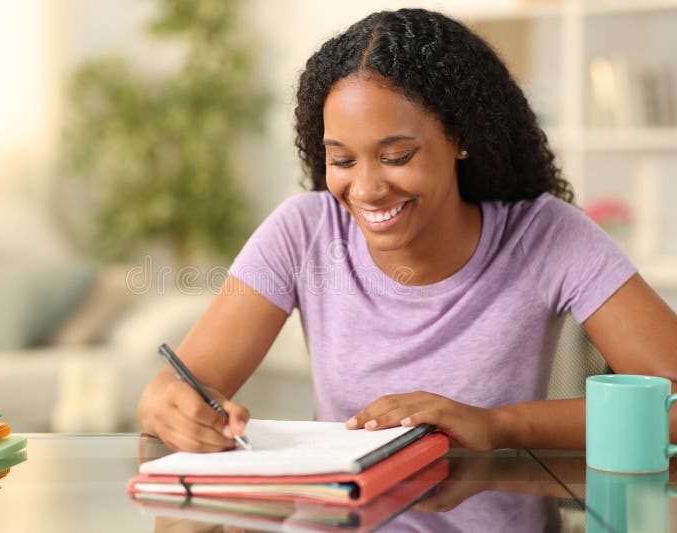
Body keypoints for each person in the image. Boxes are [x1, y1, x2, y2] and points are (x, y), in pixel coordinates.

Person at [137, 8, 677, 453]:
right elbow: (173, 389)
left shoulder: (544, 235)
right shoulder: (303, 232)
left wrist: (498, 425)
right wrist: (173, 408)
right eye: (342, 160)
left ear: (460, 138)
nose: (367, 188)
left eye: (396, 156)